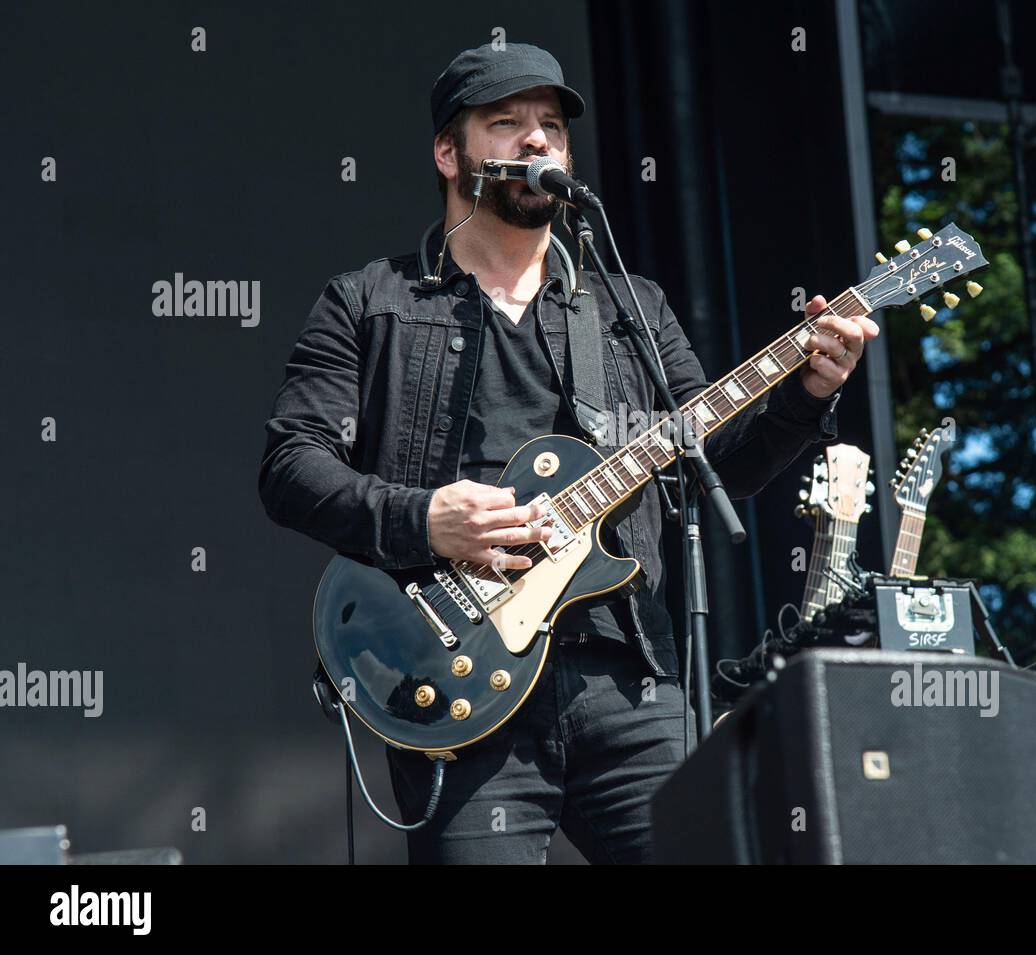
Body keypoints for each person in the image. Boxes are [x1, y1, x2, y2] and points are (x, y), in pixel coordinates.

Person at [257, 41, 878, 863]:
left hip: (628, 675)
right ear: (449, 153)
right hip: (457, 676)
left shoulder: (629, 309)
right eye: (506, 122)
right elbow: (291, 466)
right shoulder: (371, 302)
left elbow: (716, 469)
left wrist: (807, 394)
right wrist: (423, 518)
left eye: (551, 125)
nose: (537, 140)